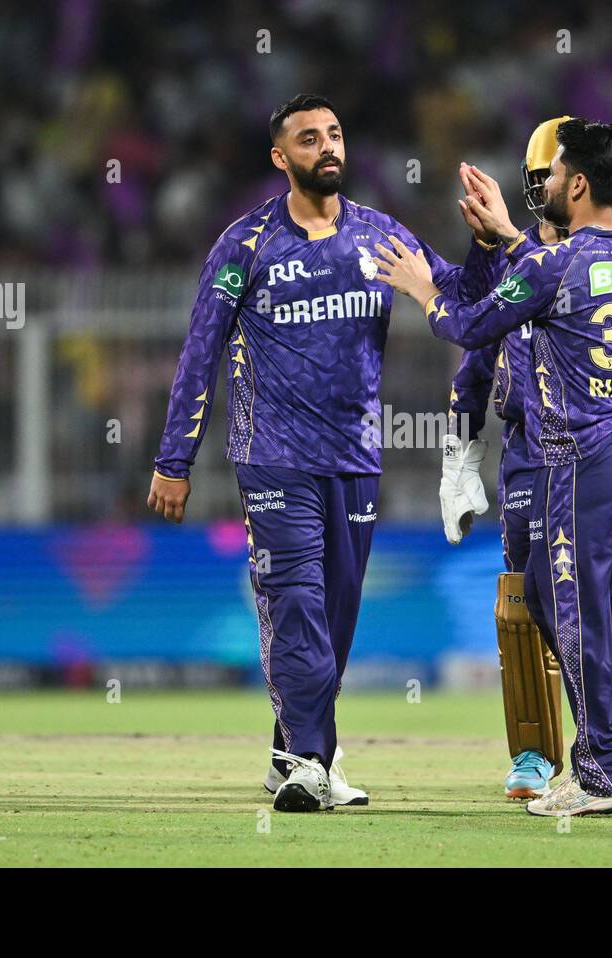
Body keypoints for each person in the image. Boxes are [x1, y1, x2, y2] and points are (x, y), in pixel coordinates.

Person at [376, 118, 612, 816]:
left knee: (577, 613)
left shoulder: (551, 263)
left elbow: (468, 327)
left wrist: (424, 289)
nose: (541, 187)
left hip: (574, 459)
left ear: (576, 182)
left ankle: (607, 768)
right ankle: (602, 755)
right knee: (547, 598)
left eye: (553, 174)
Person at [147, 93, 498, 812]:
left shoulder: (378, 235)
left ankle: (287, 754)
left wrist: (490, 244)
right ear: (281, 158)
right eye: (309, 139)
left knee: (334, 618)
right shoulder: (243, 245)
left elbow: (461, 301)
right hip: (272, 456)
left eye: (334, 134)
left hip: (355, 459)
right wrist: (172, 459)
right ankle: (313, 760)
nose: (327, 147)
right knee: (298, 603)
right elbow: (200, 352)